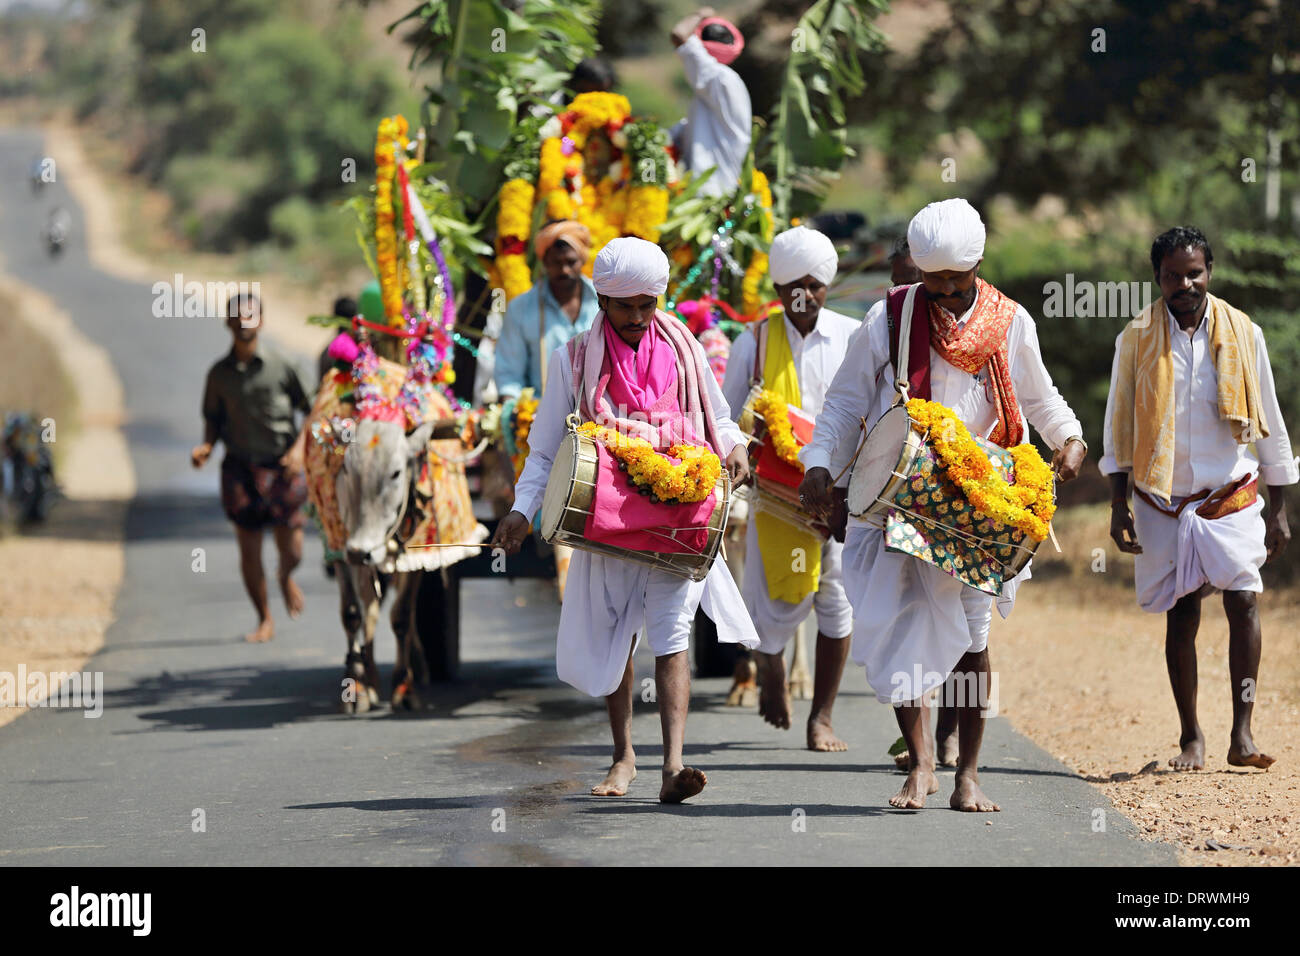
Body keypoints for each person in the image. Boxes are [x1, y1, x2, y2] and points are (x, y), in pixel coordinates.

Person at [799, 198, 1088, 811]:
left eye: (958, 282)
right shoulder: (890, 316)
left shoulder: (1012, 322)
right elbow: (847, 403)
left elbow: (1041, 400)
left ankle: (969, 776)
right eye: (935, 282)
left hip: (983, 504)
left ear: (979, 263)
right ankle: (922, 762)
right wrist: (820, 464)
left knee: (974, 640)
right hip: (902, 498)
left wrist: (1070, 439)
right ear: (916, 270)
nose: (947, 295)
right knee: (902, 623)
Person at [491, 237, 759, 804]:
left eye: (648, 305)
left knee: (672, 636)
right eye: (625, 307)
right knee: (617, 637)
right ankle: (623, 756)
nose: (638, 318)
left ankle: (673, 766)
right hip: (607, 521)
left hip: (680, 517)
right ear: (601, 300)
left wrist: (732, 446)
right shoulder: (572, 360)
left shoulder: (684, 346)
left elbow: (718, 414)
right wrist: (522, 510)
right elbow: (544, 449)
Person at [1101, 226, 1296, 772]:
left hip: (1230, 493)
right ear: (1157, 277)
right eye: (1172, 275)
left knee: (1244, 601)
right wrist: (1119, 503)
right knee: (1183, 612)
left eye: (1194, 273)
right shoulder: (1135, 338)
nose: (1184, 284)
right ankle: (1191, 736)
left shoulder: (1243, 332)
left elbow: (1269, 422)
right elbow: (1118, 424)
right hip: (1162, 498)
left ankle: (1243, 733)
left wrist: (1278, 507)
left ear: (1209, 271)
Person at [722, 226, 859, 751]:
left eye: (814, 284)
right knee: (768, 601)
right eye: (792, 286)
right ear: (779, 291)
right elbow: (726, 419)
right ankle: (773, 670)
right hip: (777, 498)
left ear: (826, 286)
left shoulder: (853, 336)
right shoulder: (752, 343)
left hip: (840, 499)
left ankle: (821, 716)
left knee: (837, 603)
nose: (804, 295)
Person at [193, 293, 312, 643]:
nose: (245, 321)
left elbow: (313, 409)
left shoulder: (283, 365)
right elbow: (212, 420)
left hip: (282, 467)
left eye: (251, 315)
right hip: (240, 469)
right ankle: (264, 618)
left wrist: (300, 449)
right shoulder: (218, 375)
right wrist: (206, 447)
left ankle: (285, 575)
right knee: (249, 547)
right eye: (237, 316)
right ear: (228, 323)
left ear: (260, 320)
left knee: (293, 549)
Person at [669, 8, 752, 199]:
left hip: (711, 192)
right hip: (719, 191)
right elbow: (690, 129)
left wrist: (700, 14)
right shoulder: (722, 85)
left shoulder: (719, 78)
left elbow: (679, 35)